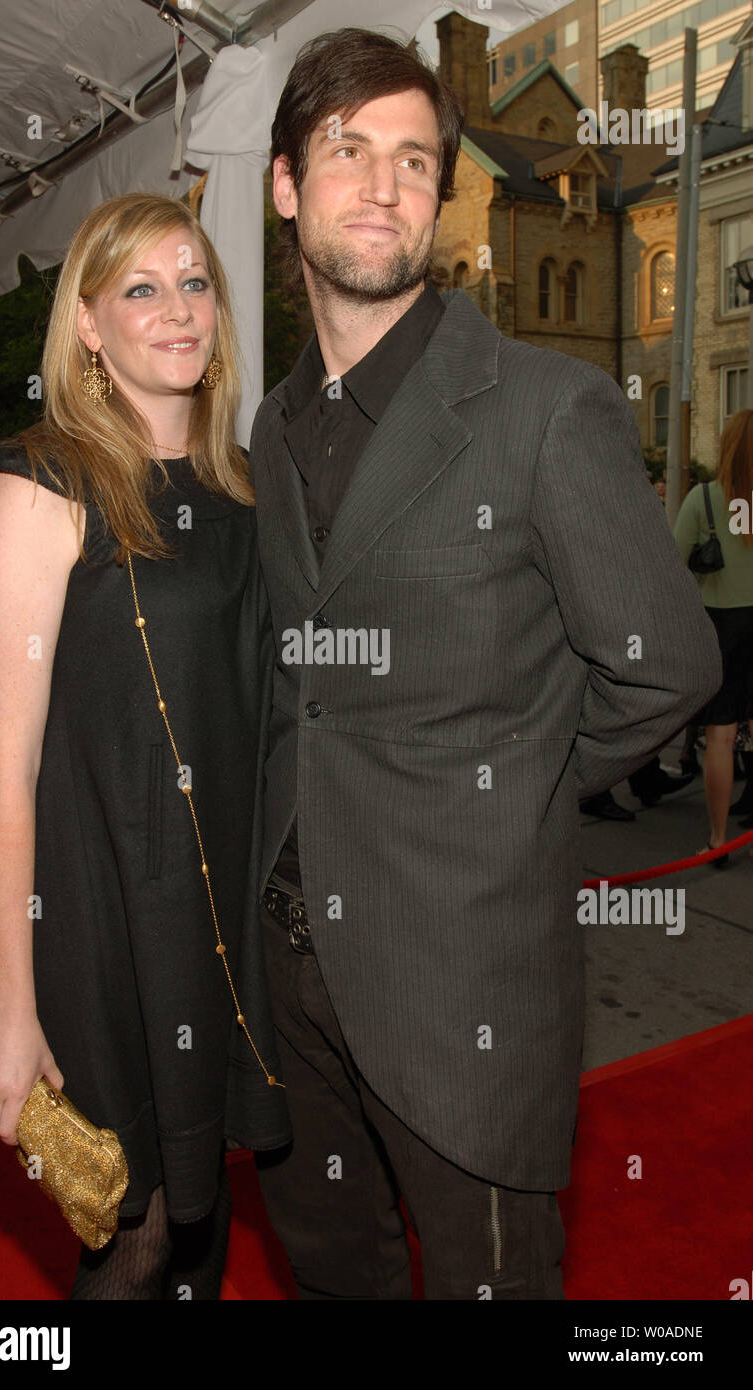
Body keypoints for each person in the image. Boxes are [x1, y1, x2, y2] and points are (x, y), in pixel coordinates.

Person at [249, 27, 723, 1300]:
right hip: (288, 967)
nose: (386, 187)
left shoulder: (541, 408)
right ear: (287, 185)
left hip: (459, 972)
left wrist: (505, 786)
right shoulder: (273, 422)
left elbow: (665, 667)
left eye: (416, 160)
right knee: (331, 1272)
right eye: (348, 152)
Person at [0, 192, 289, 1300]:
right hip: (101, 916)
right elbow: (4, 773)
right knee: (133, 1226)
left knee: (203, 1218)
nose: (179, 308)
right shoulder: (43, 483)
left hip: (220, 909)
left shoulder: (245, 489)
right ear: (88, 325)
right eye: (140, 288)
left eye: (194, 282)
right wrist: (10, 1010)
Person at [673, 408, 753, 865]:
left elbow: (672, 562)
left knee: (720, 737)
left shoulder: (704, 498)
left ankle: (718, 839)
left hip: (722, 624)